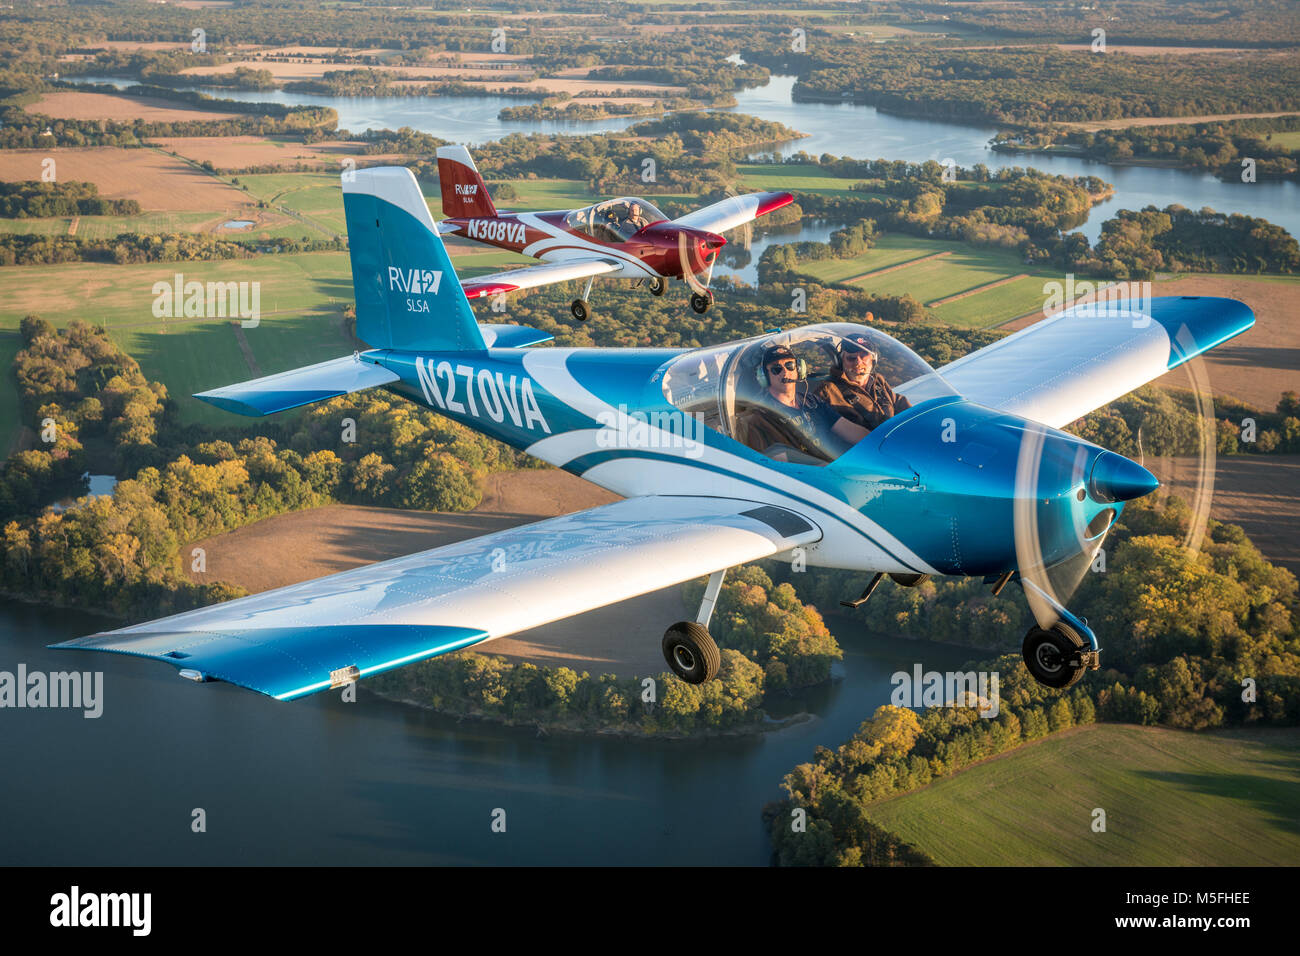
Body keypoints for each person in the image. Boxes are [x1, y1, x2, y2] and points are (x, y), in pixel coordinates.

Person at [735, 344, 869, 462]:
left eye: (790, 365)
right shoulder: (762, 415)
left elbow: (847, 429)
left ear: (799, 370)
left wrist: (876, 442)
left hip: (836, 466)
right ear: (764, 377)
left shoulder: (812, 401)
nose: (785, 372)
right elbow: (780, 457)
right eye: (777, 369)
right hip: (809, 478)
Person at [814, 333, 911, 432]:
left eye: (864, 356)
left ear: (873, 359)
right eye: (851, 358)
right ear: (840, 361)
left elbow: (899, 404)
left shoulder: (877, 381)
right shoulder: (827, 392)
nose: (858, 363)